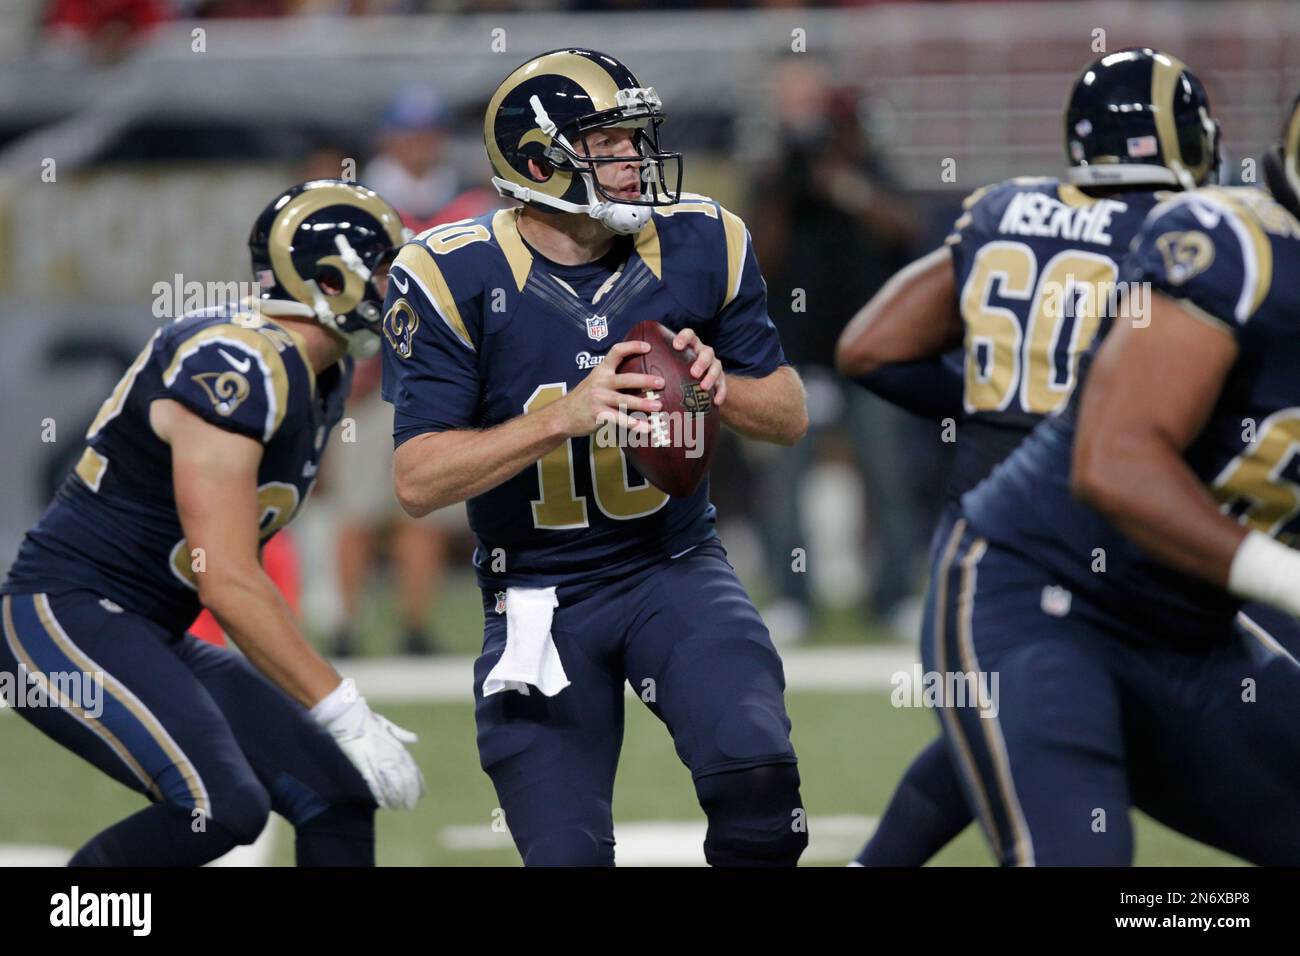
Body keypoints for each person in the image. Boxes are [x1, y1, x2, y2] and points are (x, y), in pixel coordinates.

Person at [840, 49, 1300, 866]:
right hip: (1051, 555)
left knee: (1008, 737)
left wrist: (995, 404)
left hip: (1174, 601)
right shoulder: (1227, 247)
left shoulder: (1014, 209)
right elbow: (1120, 456)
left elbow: (871, 348)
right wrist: (1084, 416)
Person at [382, 48, 810, 866]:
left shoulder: (703, 239)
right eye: (608, 145)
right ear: (540, 161)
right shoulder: (450, 273)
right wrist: (563, 418)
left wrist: (724, 390)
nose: (636, 161)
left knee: (759, 778)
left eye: (636, 140)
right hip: (537, 595)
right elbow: (416, 480)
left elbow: (787, 414)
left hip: (674, 566)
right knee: (565, 853)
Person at [0, 179, 424, 866]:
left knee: (336, 795)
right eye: (383, 270)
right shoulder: (238, 362)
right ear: (328, 278)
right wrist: (339, 705)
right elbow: (225, 578)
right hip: (65, 614)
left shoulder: (322, 371)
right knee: (219, 807)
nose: (397, 288)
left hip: (149, 625)